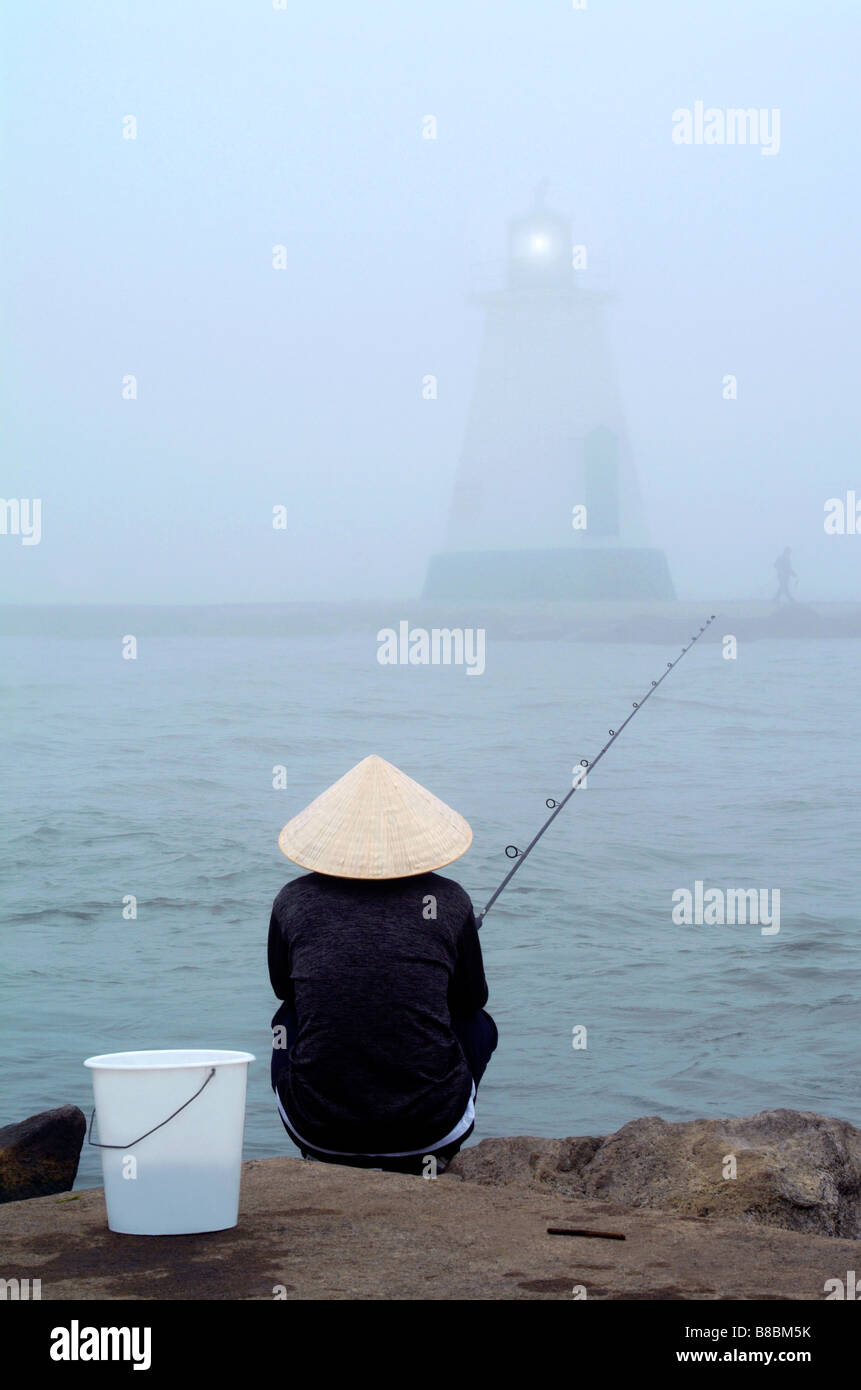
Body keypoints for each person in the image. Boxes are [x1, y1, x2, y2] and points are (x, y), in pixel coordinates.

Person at [268, 754, 498, 1175]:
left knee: (288, 1017)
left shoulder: (293, 899)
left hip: (317, 1129)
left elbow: (285, 989)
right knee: (477, 1023)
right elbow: (470, 999)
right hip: (432, 1129)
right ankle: (438, 1141)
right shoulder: (448, 900)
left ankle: (324, 1148)